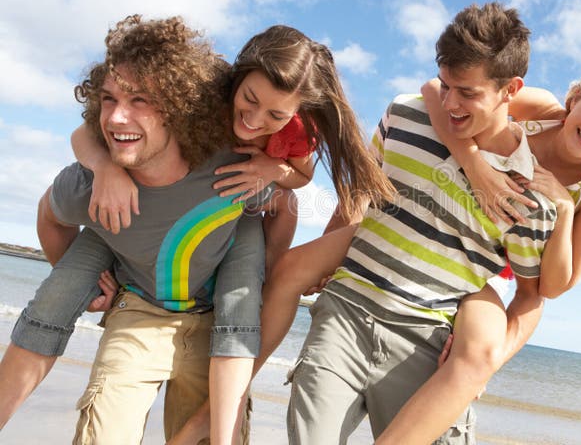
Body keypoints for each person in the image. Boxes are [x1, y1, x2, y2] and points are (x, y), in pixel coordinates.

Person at [51, 24, 394, 444]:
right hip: (173, 244)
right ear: (237, 78)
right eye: (248, 101)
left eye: (275, 115)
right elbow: (87, 134)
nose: (254, 121)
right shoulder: (203, 99)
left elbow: (301, 177)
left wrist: (272, 169)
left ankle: (260, 286)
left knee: (285, 206)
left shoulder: (297, 129)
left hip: (247, 208)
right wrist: (106, 169)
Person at [275, 2, 574, 444]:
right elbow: (362, 190)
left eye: (468, 93)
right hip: (345, 314)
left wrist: (483, 362)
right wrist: (329, 255)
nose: (451, 102)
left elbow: (533, 295)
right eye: (447, 85)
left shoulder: (529, 191)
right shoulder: (406, 113)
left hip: (427, 344)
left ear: (511, 89)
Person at [374, 68, 581, 442]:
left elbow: (554, 286)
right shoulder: (541, 109)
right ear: (574, 97)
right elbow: (434, 89)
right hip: (462, 245)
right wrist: (474, 163)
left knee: (480, 356)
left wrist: (563, 208)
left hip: (511, 279)